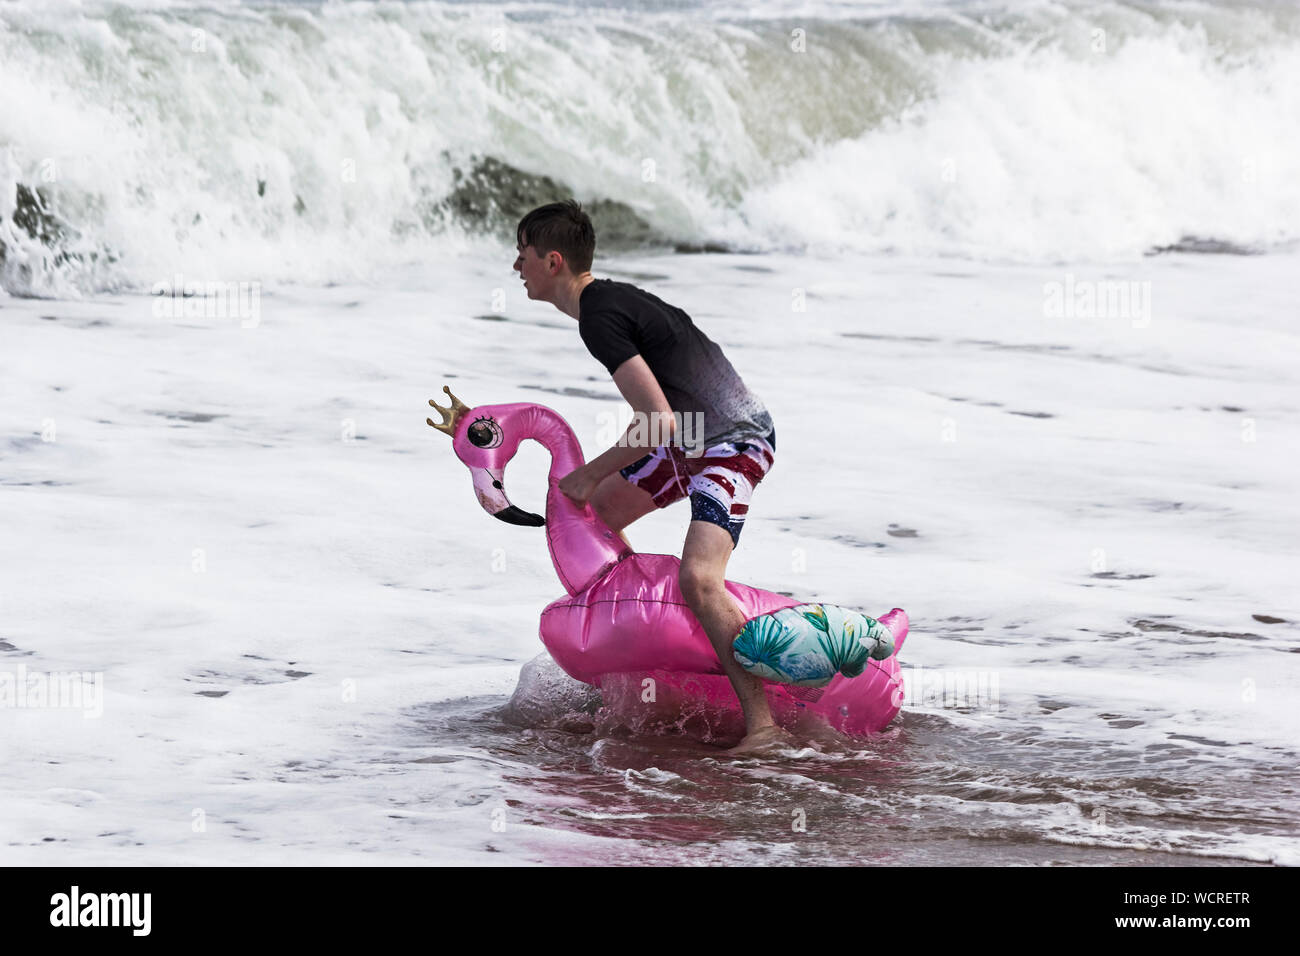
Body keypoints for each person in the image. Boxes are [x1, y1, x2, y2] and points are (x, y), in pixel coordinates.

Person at [512, 199, 789, 753]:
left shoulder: (599, 315)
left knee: (698, 579)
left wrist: (588, 474)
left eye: (522, 254)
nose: (515, 267)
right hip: (693, 435)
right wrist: (594, 490)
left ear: (553, 261)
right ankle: (647, 666)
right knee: (598, 520)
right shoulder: (606, 303)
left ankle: (764, 726)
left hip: (735, 440)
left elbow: (655, 420)